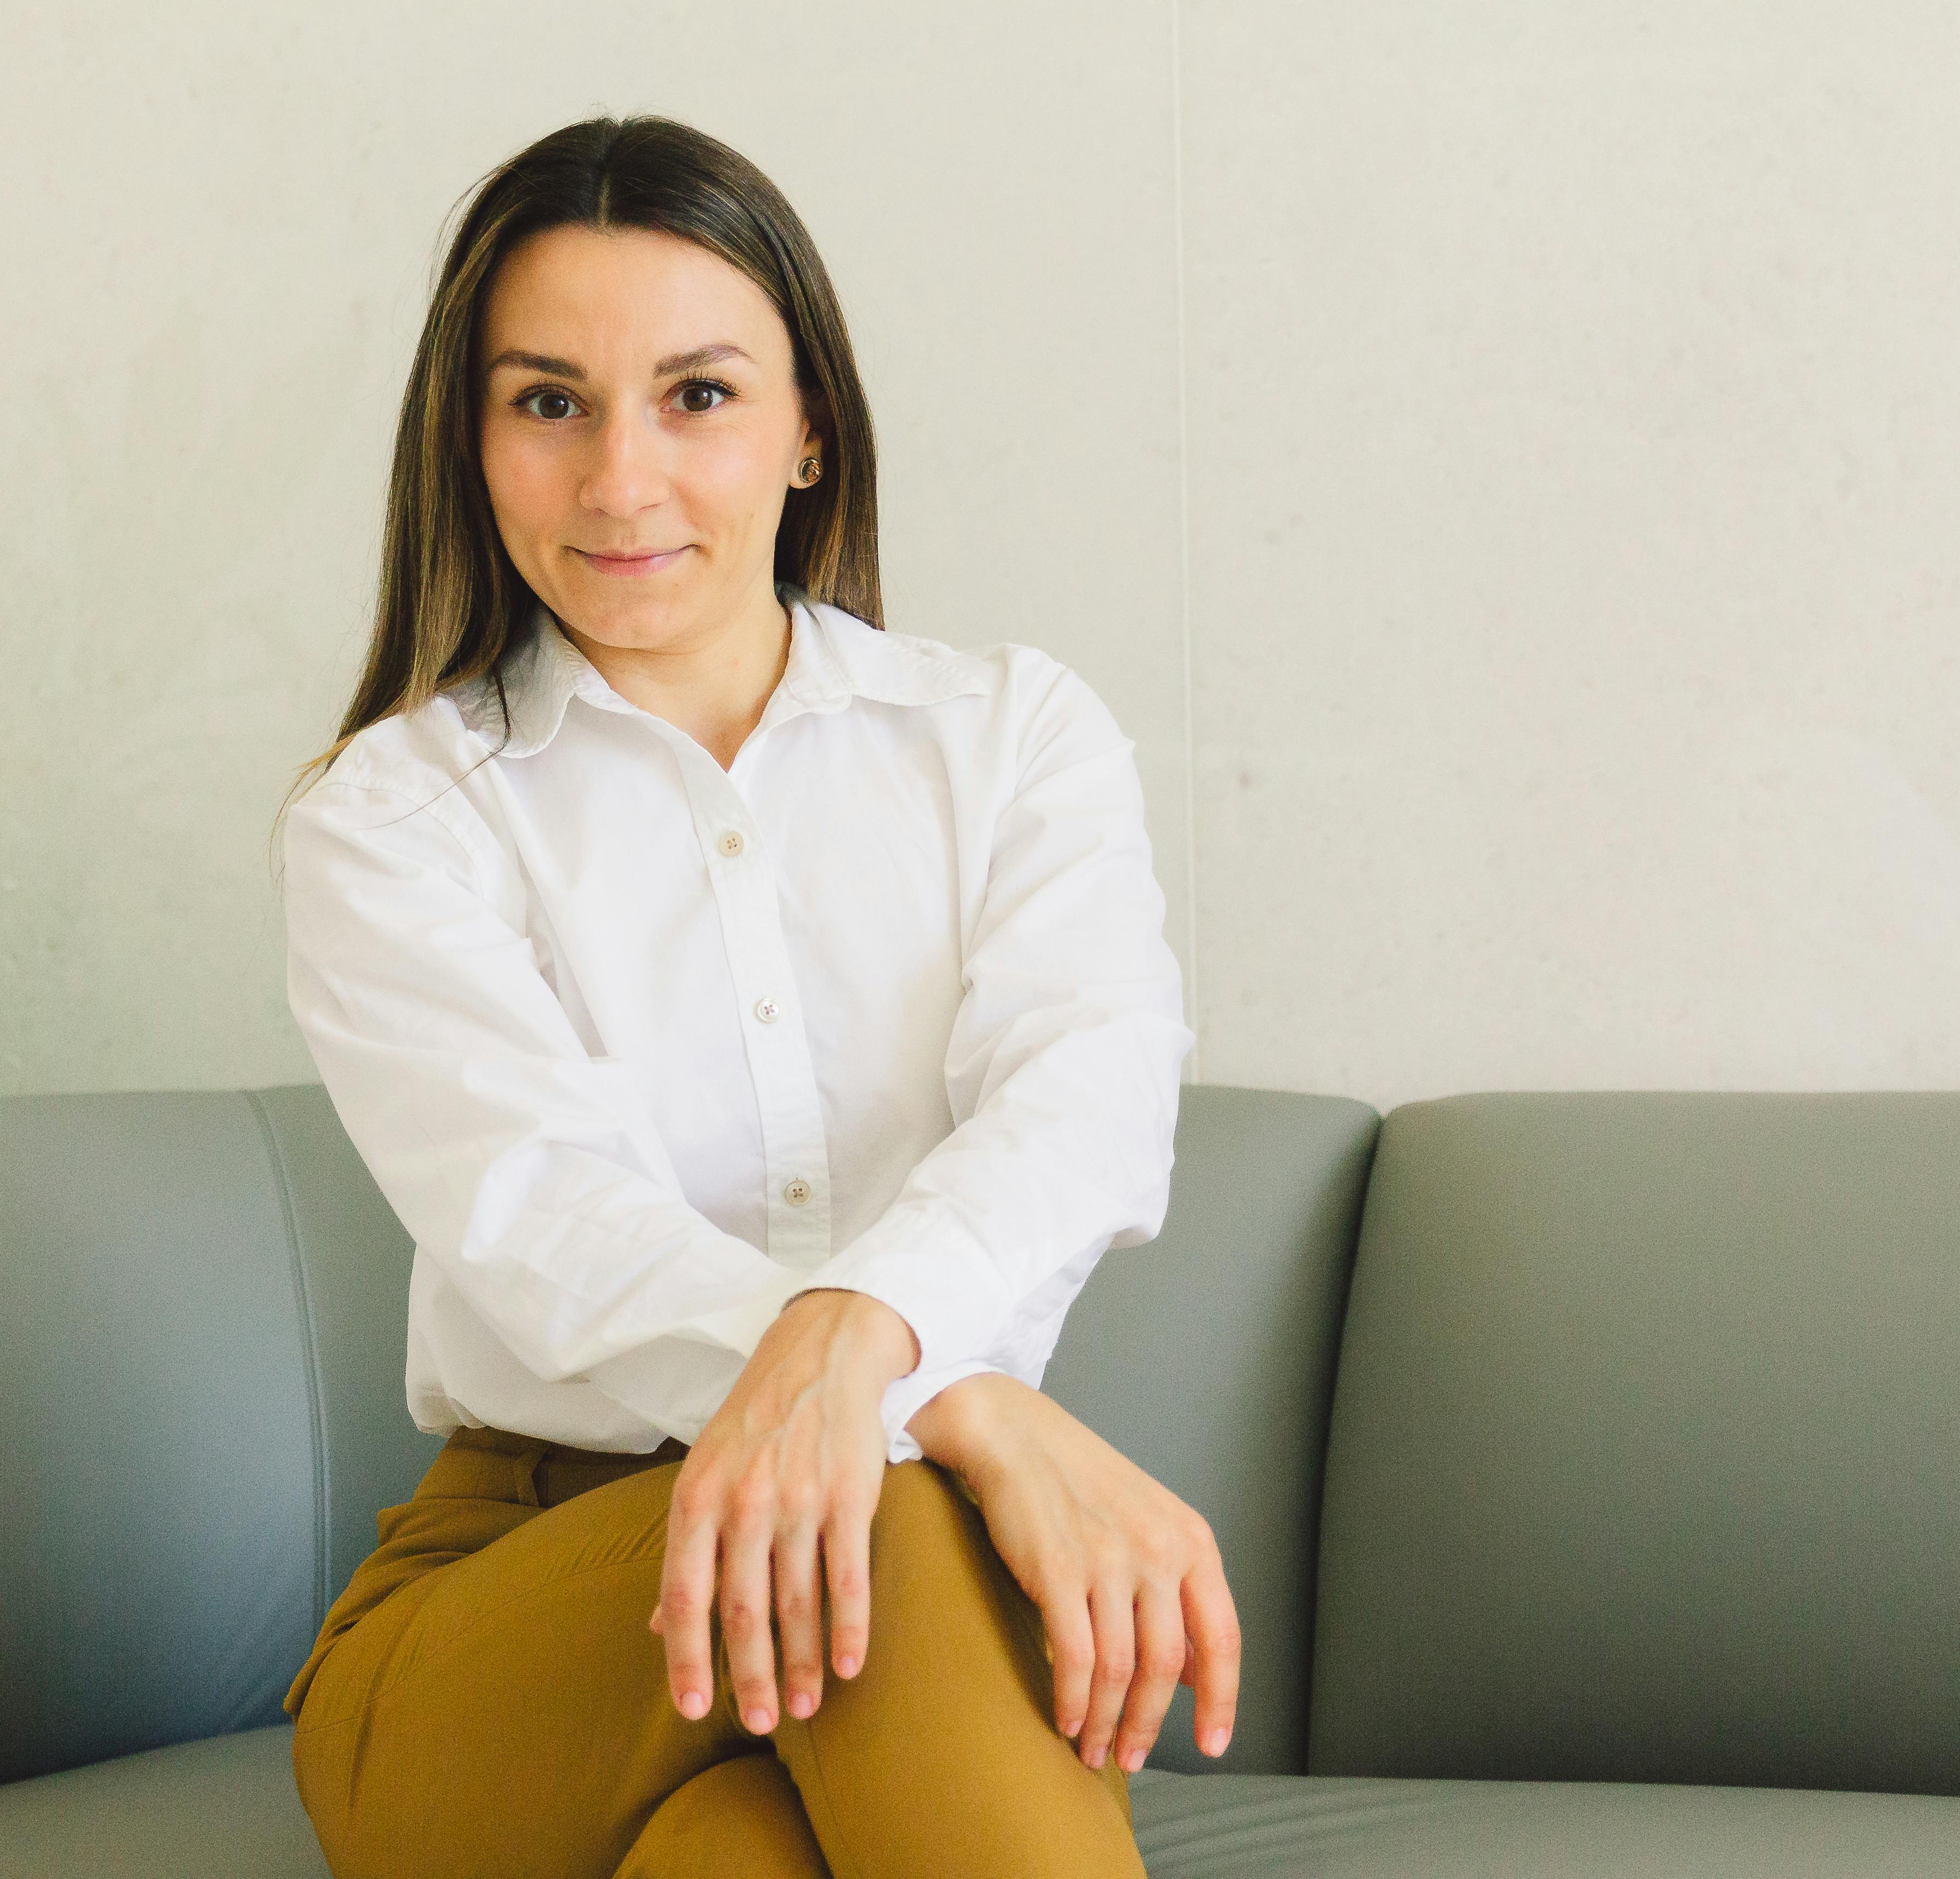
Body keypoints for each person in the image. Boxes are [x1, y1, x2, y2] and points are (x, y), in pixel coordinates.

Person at [273, 113, 1239, 1879]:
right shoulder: (394, 820)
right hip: (520, 1608)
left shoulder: (1010, 739)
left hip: (893, 1614)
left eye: (698, 396)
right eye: (548, 402)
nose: (620, 478)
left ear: (810, 430)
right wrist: (952, 1401)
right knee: (897, 1521)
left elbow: (1086, 1104)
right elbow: (550, 1227)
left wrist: (862, 1345)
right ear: (470, 443)